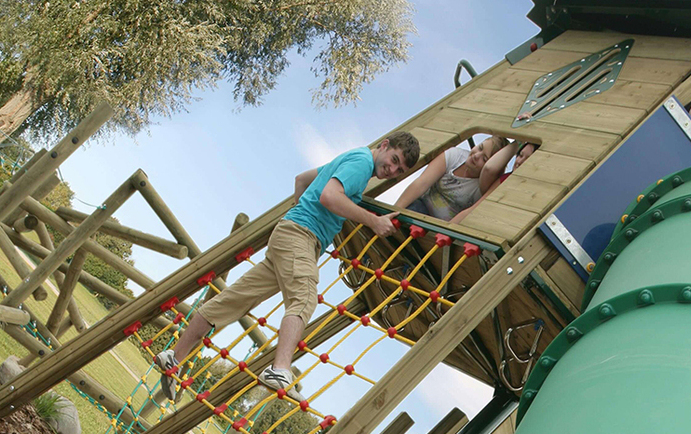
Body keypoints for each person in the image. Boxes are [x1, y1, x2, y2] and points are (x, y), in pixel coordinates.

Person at [156, 132, 420, 403]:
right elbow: (330, 196)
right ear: (384, 146)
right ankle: (280, 369)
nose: (392, 170)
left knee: (235, 299)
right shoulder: (362, 163)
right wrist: (372, 221)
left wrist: (300, 213)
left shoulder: (352, 159)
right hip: (300, 236)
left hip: (290, 232)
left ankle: (173, 356)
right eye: (394, 160)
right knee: (304, 298)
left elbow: (302, 180)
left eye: (399, 170)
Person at [394, 135, 509, 221]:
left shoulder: (483, 185)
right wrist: (394, 211)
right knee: (410, 211)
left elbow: (490, 169)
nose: (476, 155)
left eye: (484, 159)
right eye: (480, 148)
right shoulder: (456, 156)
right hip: (421, 207)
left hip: (441, 227)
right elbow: (422, 183)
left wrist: (516, 144)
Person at [450, 141, 538, 224]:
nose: (519, 161)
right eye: (520, 155)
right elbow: (489, 168)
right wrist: (518, 141)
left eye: (528, 159)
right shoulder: (506, 179)